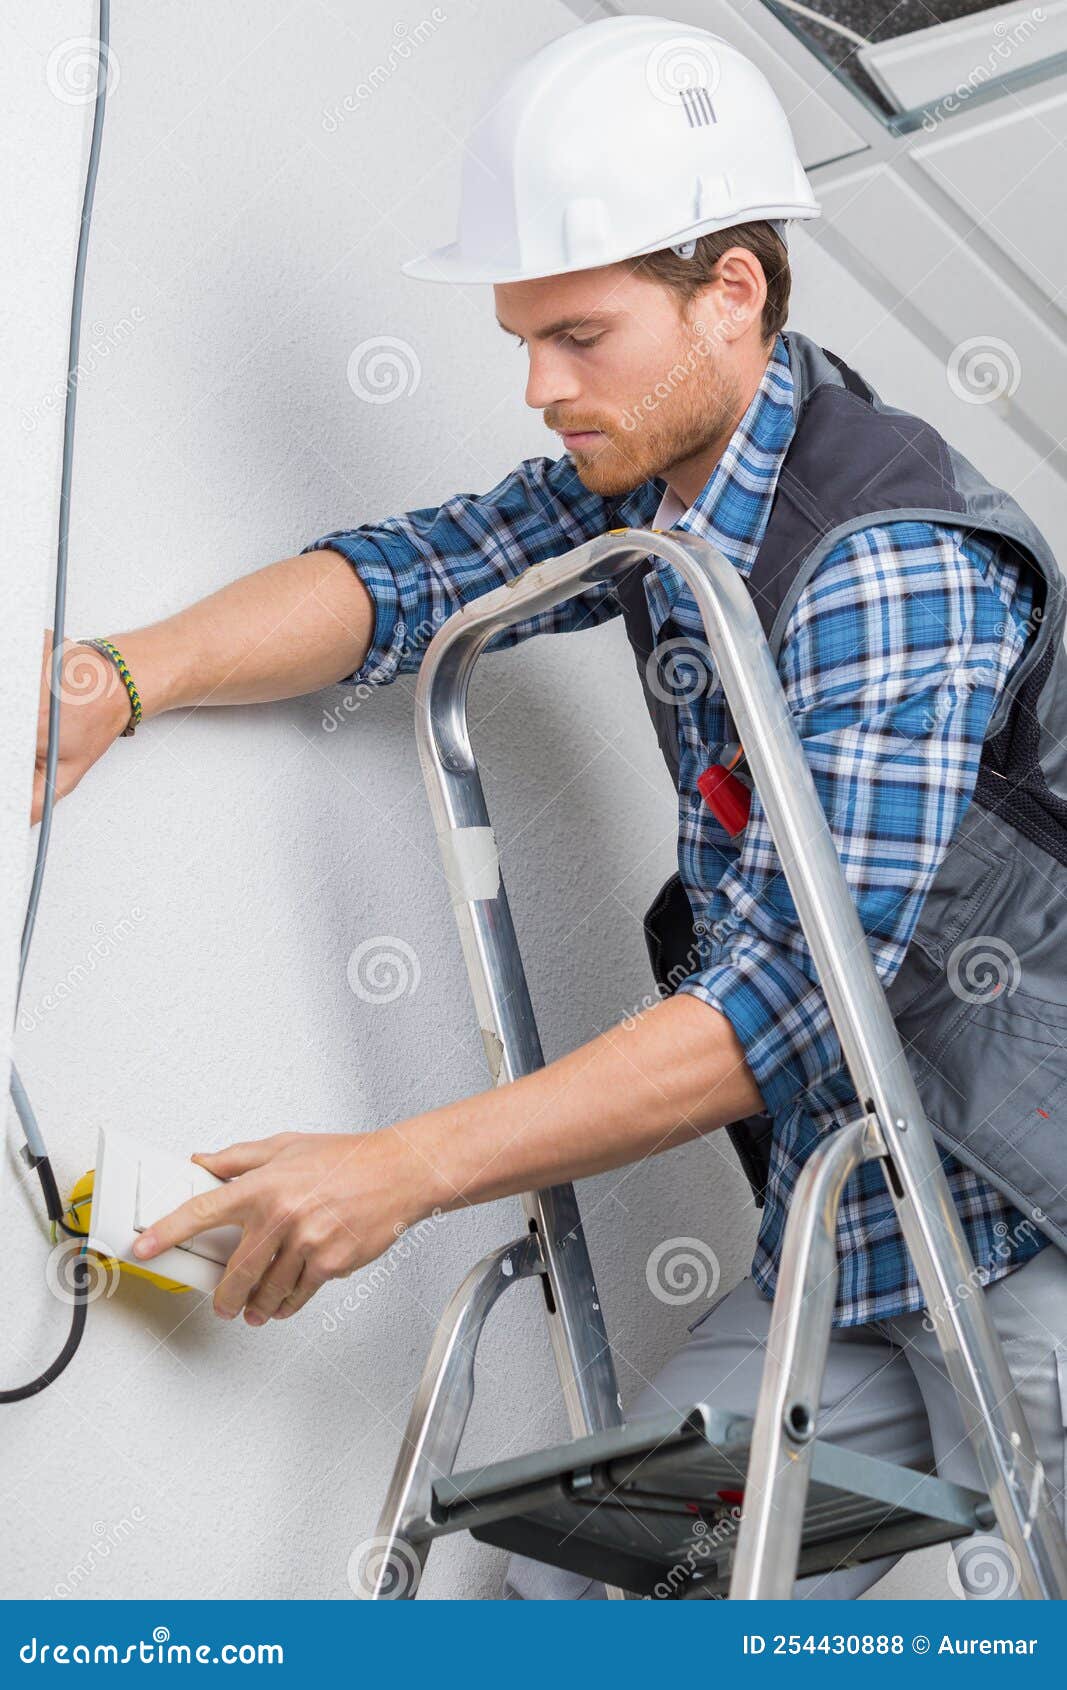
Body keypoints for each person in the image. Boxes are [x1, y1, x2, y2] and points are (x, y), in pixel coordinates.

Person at [32, 16, 1067, 1599]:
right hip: (862, 1240)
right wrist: (118, 674)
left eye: (577, 335)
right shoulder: (668, 492)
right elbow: (414, 577)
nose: (536, 385)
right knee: (578, 1600)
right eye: (522, 337)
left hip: (1030, 1219)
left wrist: (403, 1169)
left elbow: (798, 996)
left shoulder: (887, 558)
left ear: (733, 293)